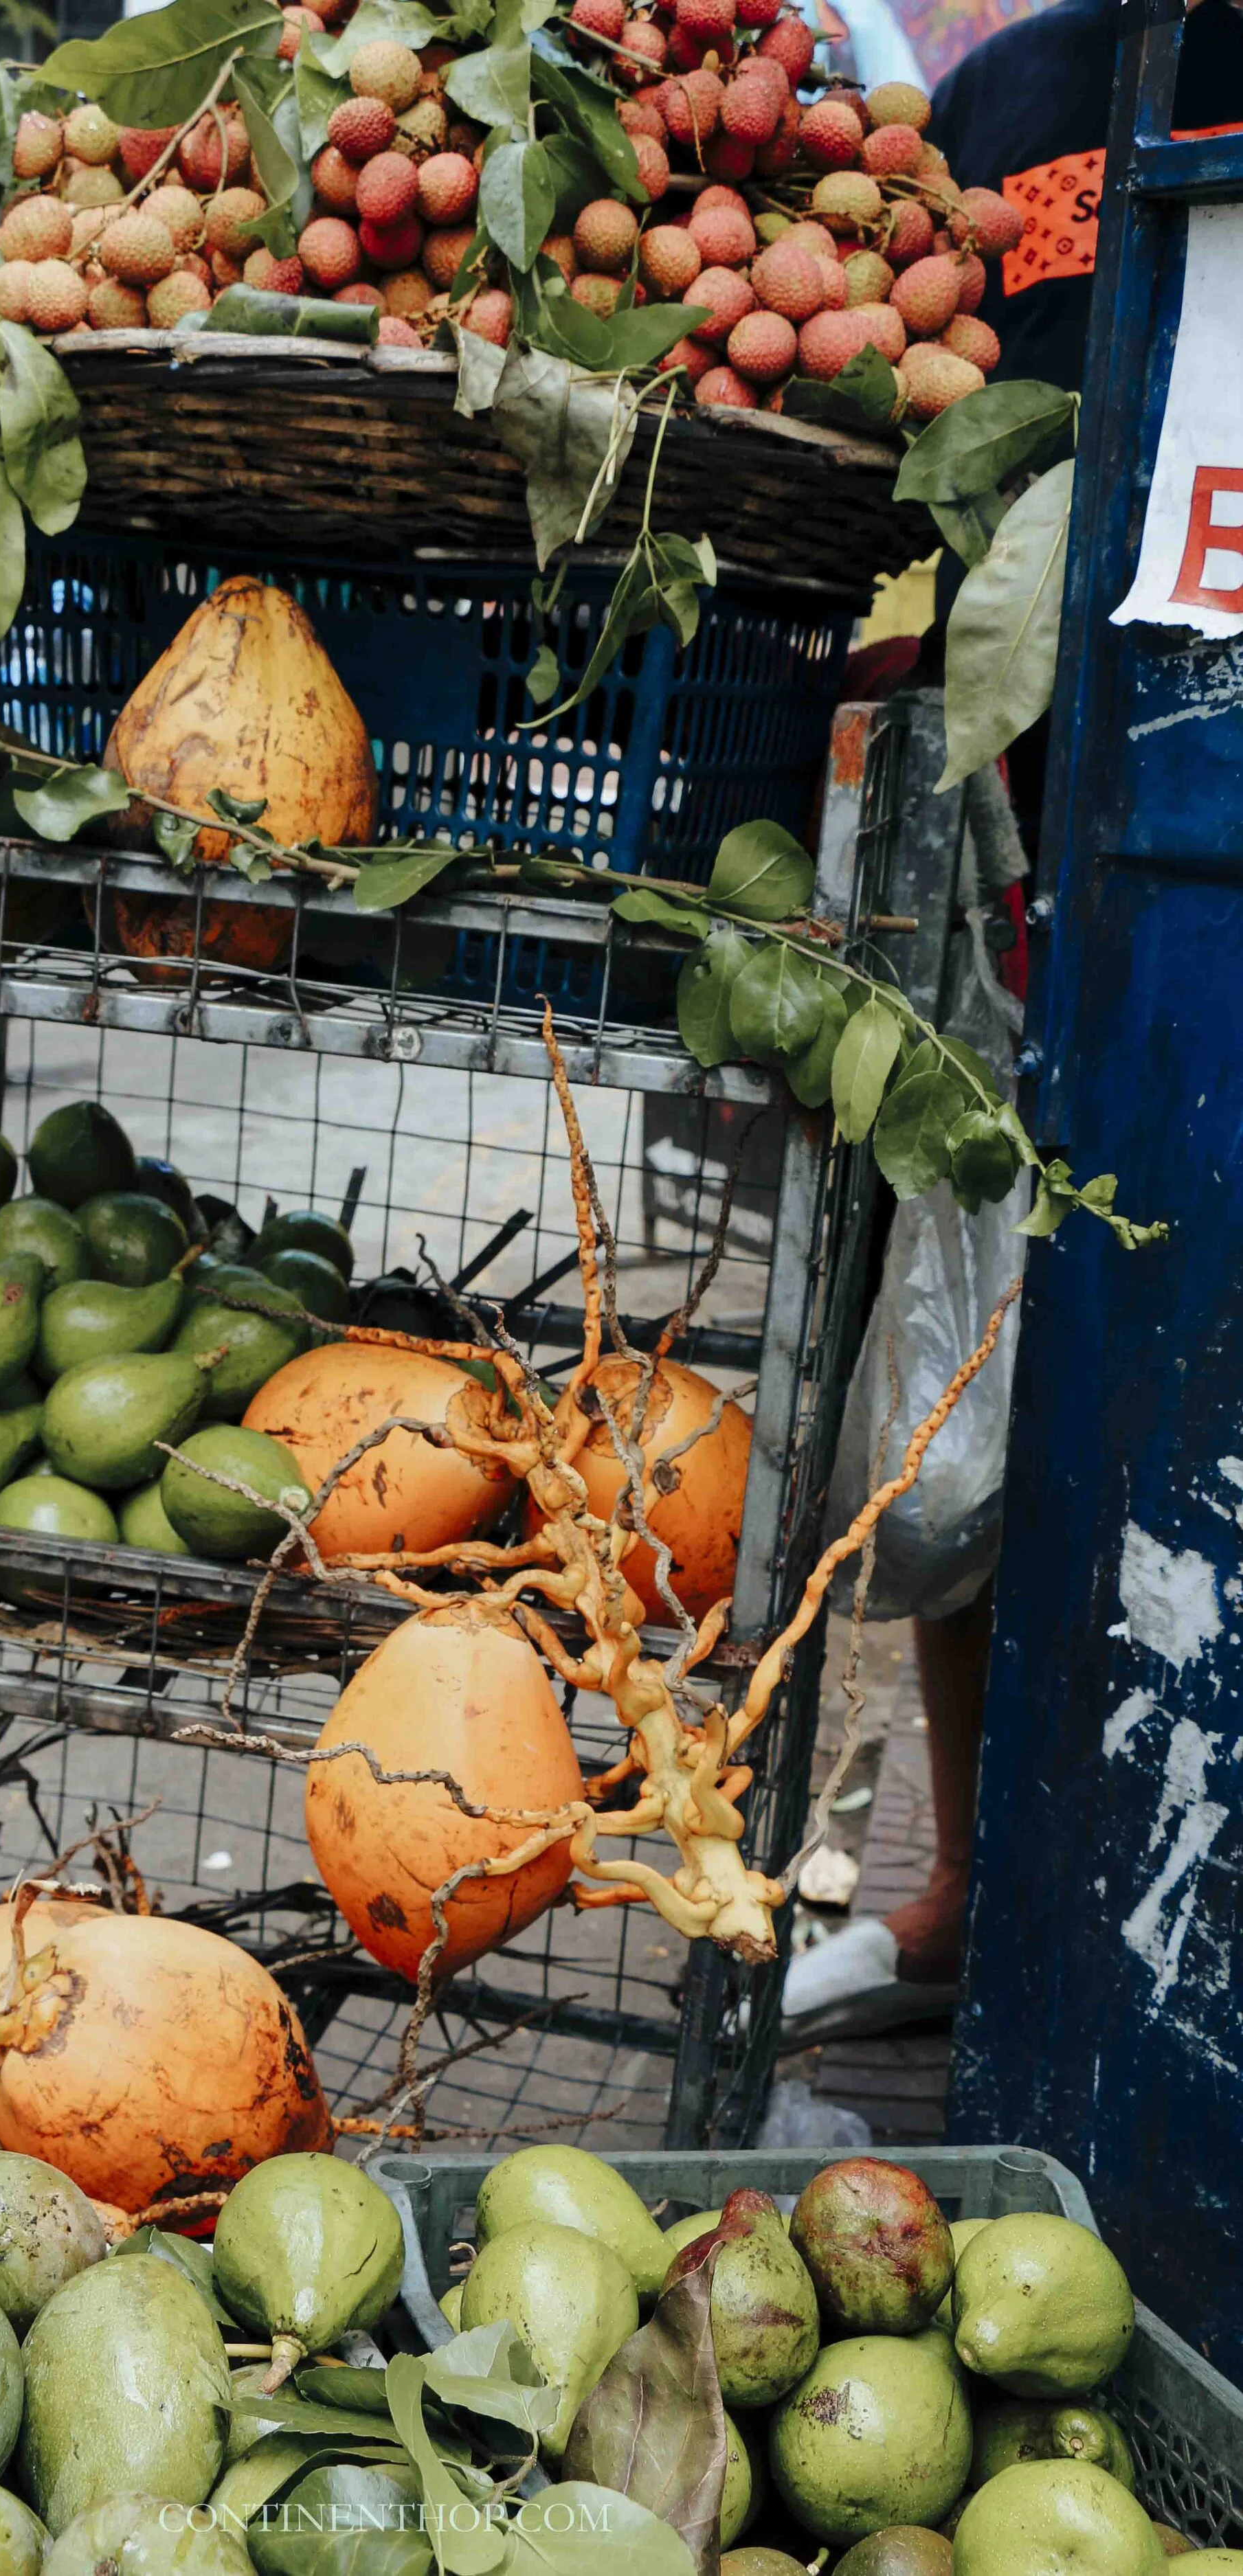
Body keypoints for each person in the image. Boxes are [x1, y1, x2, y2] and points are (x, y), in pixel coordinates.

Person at [783, 0, 1243, 2044]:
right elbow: (903, 461)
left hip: (1189, 845)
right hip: (1007, 858)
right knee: (966, 1397)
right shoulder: (1007, 94)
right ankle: (969, 1884)